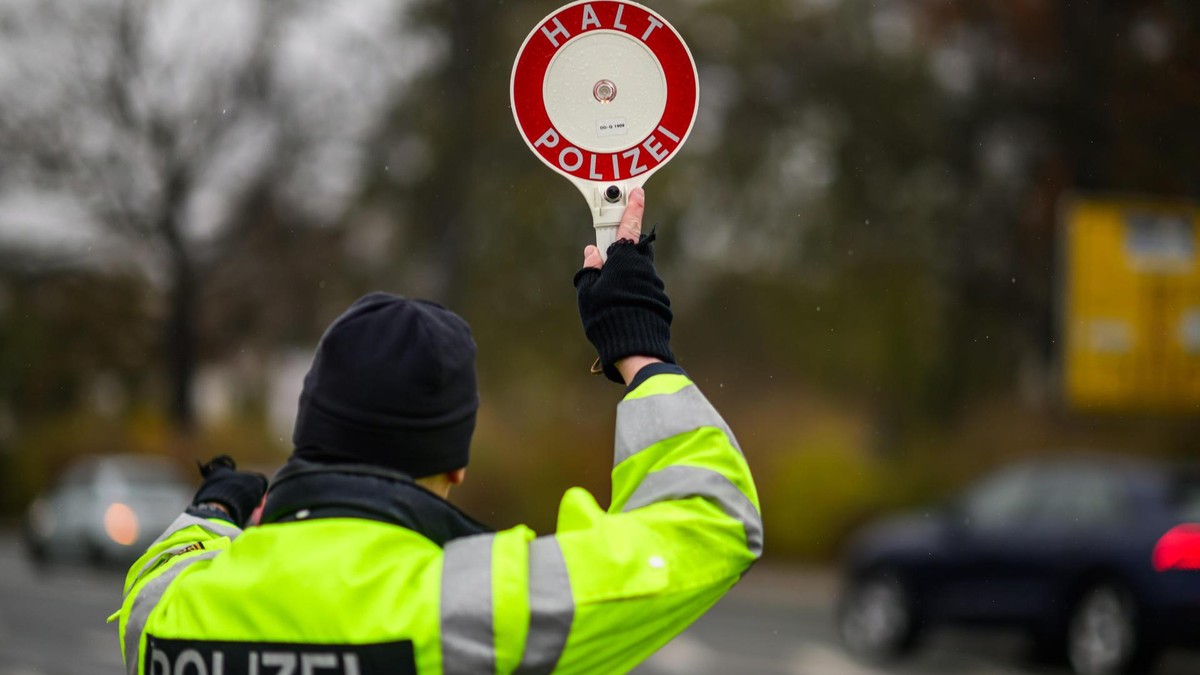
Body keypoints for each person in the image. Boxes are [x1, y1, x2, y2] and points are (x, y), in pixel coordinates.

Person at [112, 187, 762, 675]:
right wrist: (641, 350)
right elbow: (710, 523)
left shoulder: (173, 612)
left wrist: (214, 510)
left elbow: (159, 569)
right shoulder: (479, 607)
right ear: (455, 466)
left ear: (306, 437)